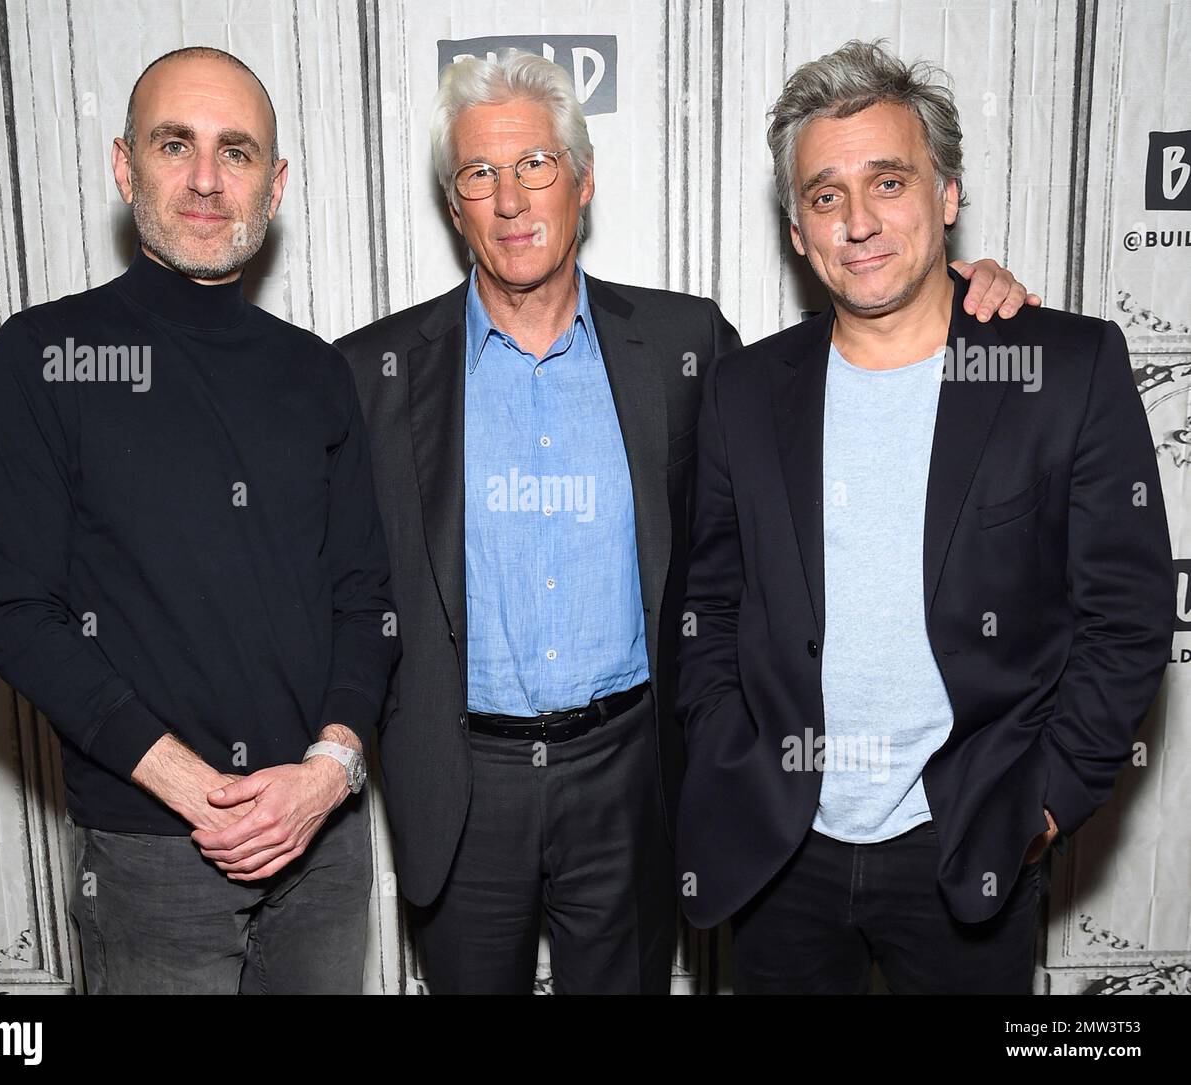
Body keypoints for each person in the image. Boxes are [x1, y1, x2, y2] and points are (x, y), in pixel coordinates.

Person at [336, 49, 1034, 994]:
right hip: (462, 783)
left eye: (536, 165)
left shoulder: (685, 346)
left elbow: (800, 443)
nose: (510, 199)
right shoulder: (373, 374)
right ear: (453, 203)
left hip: (631, 772)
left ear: (583, 182)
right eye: (479, 174)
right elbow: (343, 590)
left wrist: (968, 295)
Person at [675, 39, 1173, 994]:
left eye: (889, 181)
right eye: (826, 196)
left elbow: (1128, 611)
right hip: (782, 847)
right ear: (796, 229)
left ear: (946, 196)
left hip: (972, 837)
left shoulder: (1060, 368)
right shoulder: (746, 390)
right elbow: (710, 604)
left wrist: (1049, 800)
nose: (859, 221)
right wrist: (731, 750)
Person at [0, 47, 397, 994]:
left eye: (236, 152)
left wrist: (326, 775)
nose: (206, 180)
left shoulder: (317, 371)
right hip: (150, 858)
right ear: (125, 167)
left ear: (274, 185)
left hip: (322, 847)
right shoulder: (47, 354)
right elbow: (15, 616)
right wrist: (188, 786)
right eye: (176, 145)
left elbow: (366, 599)